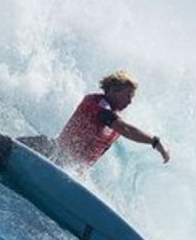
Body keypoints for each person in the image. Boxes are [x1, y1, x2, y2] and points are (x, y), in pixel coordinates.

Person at [21, 70, 170, 171]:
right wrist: (155, 141)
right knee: (37, 143)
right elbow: (125, 129)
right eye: (128, 96)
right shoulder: (96, 103)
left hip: (70, 168)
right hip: (51, 153)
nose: (130, 102)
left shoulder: (114, 123)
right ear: (113, 91)